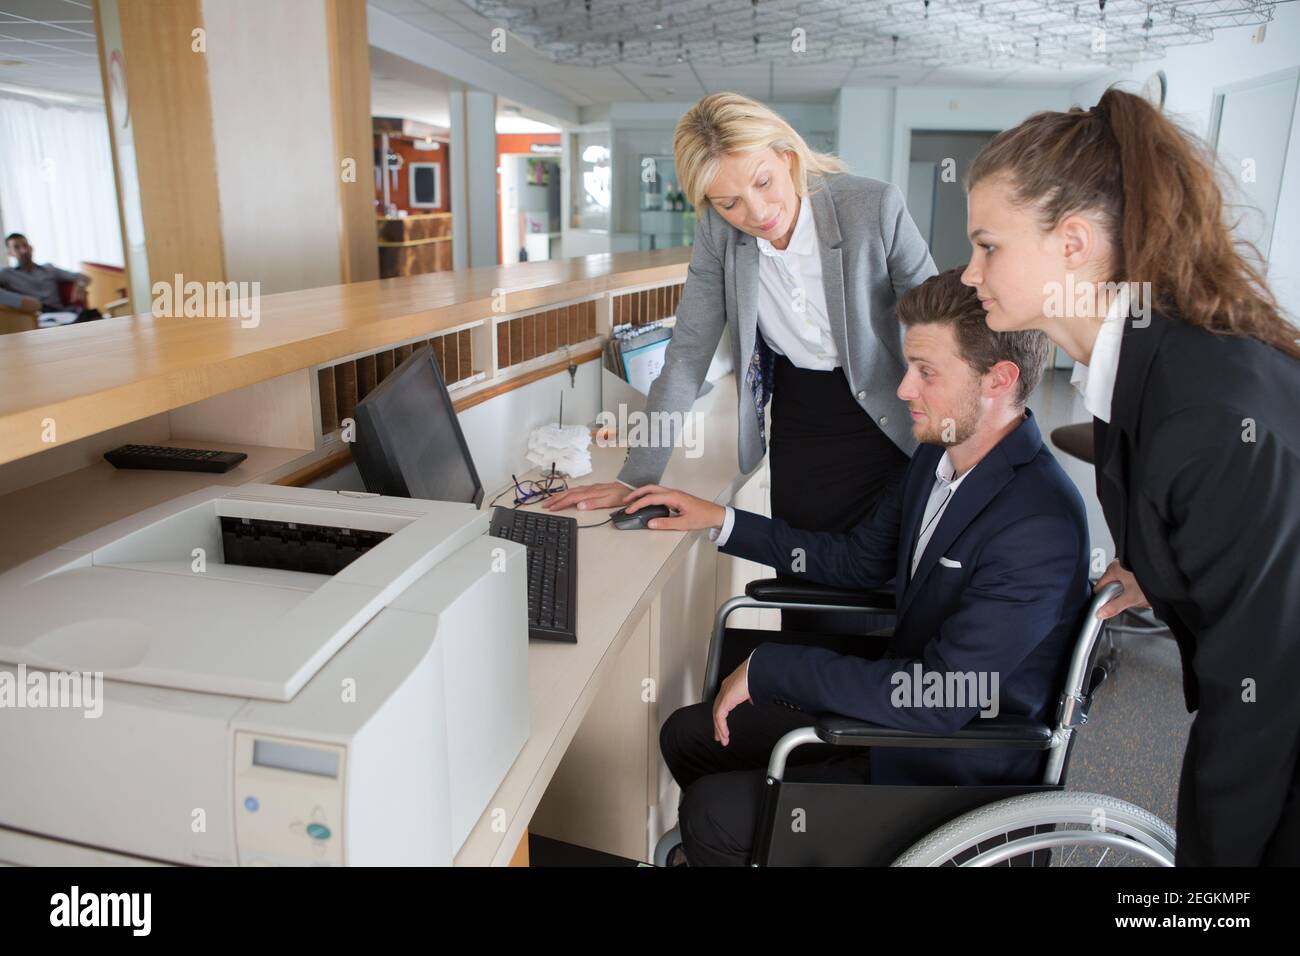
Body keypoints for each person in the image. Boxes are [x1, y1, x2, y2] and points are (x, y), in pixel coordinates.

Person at [623, 269, 1088, 866]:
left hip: (949, 765)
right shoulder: (936, 458)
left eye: (926, 371)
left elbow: (944, 696)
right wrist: (722, 520)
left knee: (713, 812)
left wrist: (774, 669)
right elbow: (856, 559)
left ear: (999, 380)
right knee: (688, 736)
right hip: (898, 715)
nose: (902, 390)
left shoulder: (1036, 522)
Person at [961, 86, 1300, 866]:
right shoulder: (1144, 364)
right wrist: (1166, 571)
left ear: (1072, 242)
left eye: (989, 245)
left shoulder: (1206, 411)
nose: (972, 271)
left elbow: (1259, 702)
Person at [546, 93, 935, 628]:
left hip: (895, 414)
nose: (754, 214)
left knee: (888, 587)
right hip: (804, 421)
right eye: (727, 201)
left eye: (763, 183)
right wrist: (637, 478)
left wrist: (957, 434)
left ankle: (867, 701)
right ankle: (797, 697)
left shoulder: (873, 207)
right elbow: (686, 356)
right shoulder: (718, 233)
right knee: (806, 581)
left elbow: (940, 328)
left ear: (788, 158)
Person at [0, 233, 92, 317]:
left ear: (31, 247)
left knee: (92, 315)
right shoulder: (6, 273)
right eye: (17, 247)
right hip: (34, 317)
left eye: (25, 245)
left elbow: (84, 277)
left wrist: (80, 285)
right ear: (10, 253)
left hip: (61, 313)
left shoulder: (49, 269)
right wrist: (21, 301)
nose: (24, 251)